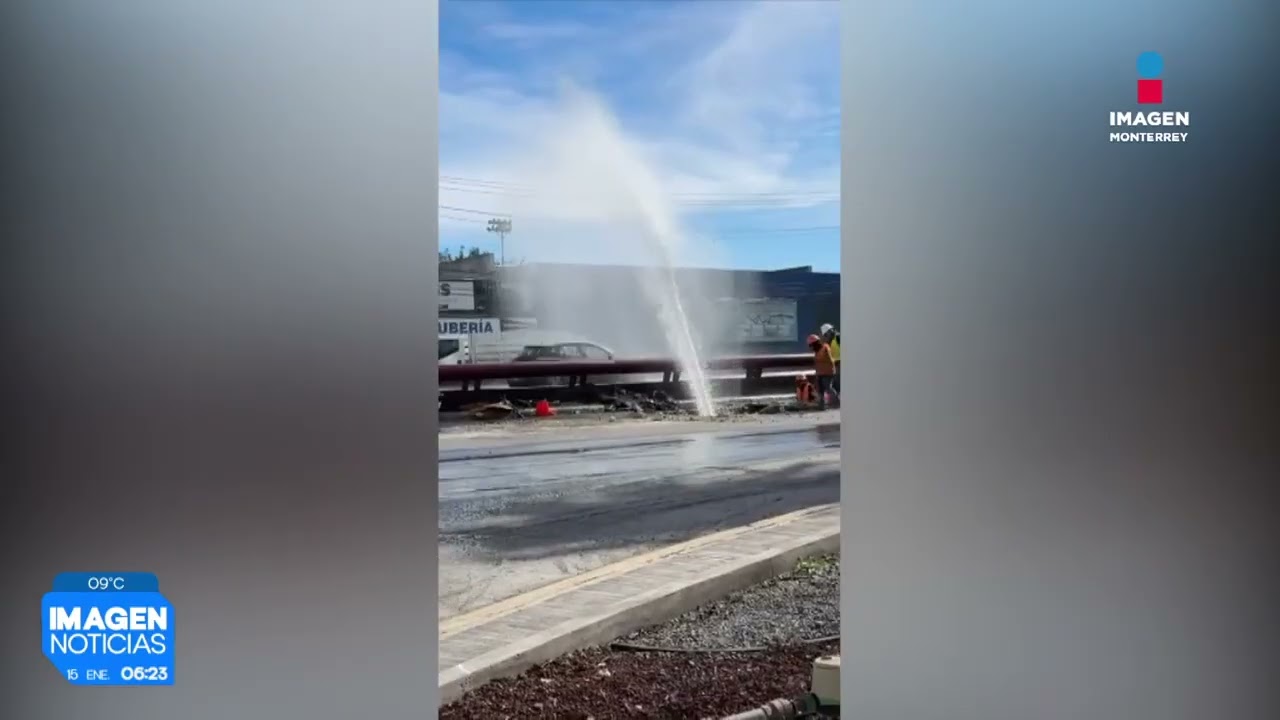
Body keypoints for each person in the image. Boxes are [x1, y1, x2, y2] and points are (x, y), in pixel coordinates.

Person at [807, 333, 837, 410]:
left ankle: (837, 402)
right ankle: (821, 406)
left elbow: (831, 360)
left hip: (828, 372)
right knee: (820, 390)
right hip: (820, 373)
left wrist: (831, 370)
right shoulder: (817, 351)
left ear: (816, 343)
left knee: (828, 387)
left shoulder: (825, 348)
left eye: (812, 345)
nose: (811, 348)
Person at [820, 323, 841, 393]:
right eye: (825, 335)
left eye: (826, 335)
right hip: (836, 364)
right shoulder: (830, 341)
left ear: (830, 331)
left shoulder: (838, 337)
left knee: (838, 384)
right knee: (835, 385)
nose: (826, 337)